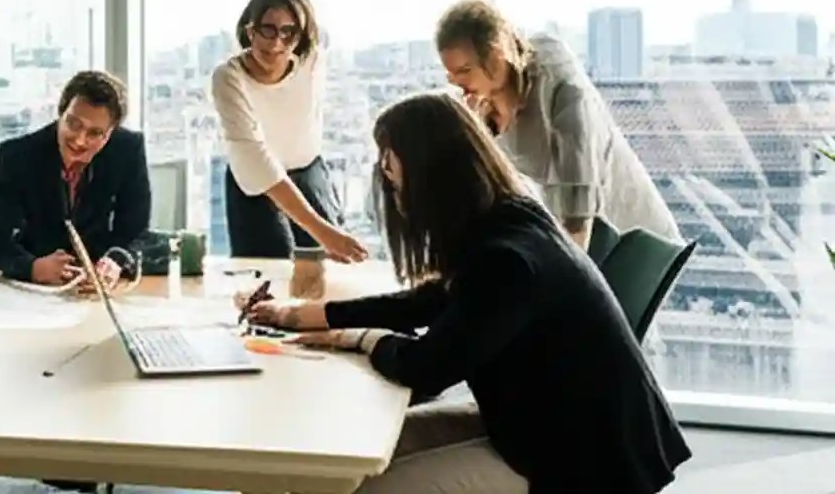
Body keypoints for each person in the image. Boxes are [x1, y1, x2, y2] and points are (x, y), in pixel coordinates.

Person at [249, 92, 691, 493]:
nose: (386, 176)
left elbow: (426, 369)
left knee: (362, 488)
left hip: (577, 461)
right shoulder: (510, 221)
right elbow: (431, 301)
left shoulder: (506, 258)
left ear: (427, 169)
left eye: (390, 161)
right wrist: (305, 315)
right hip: (549, 421)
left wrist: (356, 338)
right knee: (340, 460)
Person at [435, 0, 680, 250]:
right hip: (574, 231)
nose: (457, 83)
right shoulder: (485, 102)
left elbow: (578, 213)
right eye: (450, 74)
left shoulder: (564, 92)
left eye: (464, 71)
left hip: (634, 237)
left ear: (497, 57)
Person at [210, 0, 367, 262]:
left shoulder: (312, 62)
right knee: (264, 280)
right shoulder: (229, 78)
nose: (276, 43)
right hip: (255, 186)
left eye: (288, 33)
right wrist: (322, 231)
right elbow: (256, 159)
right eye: (267, 30)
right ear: (250, 30)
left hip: (308, 173)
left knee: (327, 277)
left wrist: (325, 229)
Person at [0, 70, 150, 291]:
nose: (79, 140)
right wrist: (33, 267)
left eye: (95, 133)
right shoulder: (17, 156)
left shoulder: (128, 150)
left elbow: (136, 229)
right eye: (74, 124)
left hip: (95, 287)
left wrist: (115, 261)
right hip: (34, 290)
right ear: (61, 114)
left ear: (110, 134)